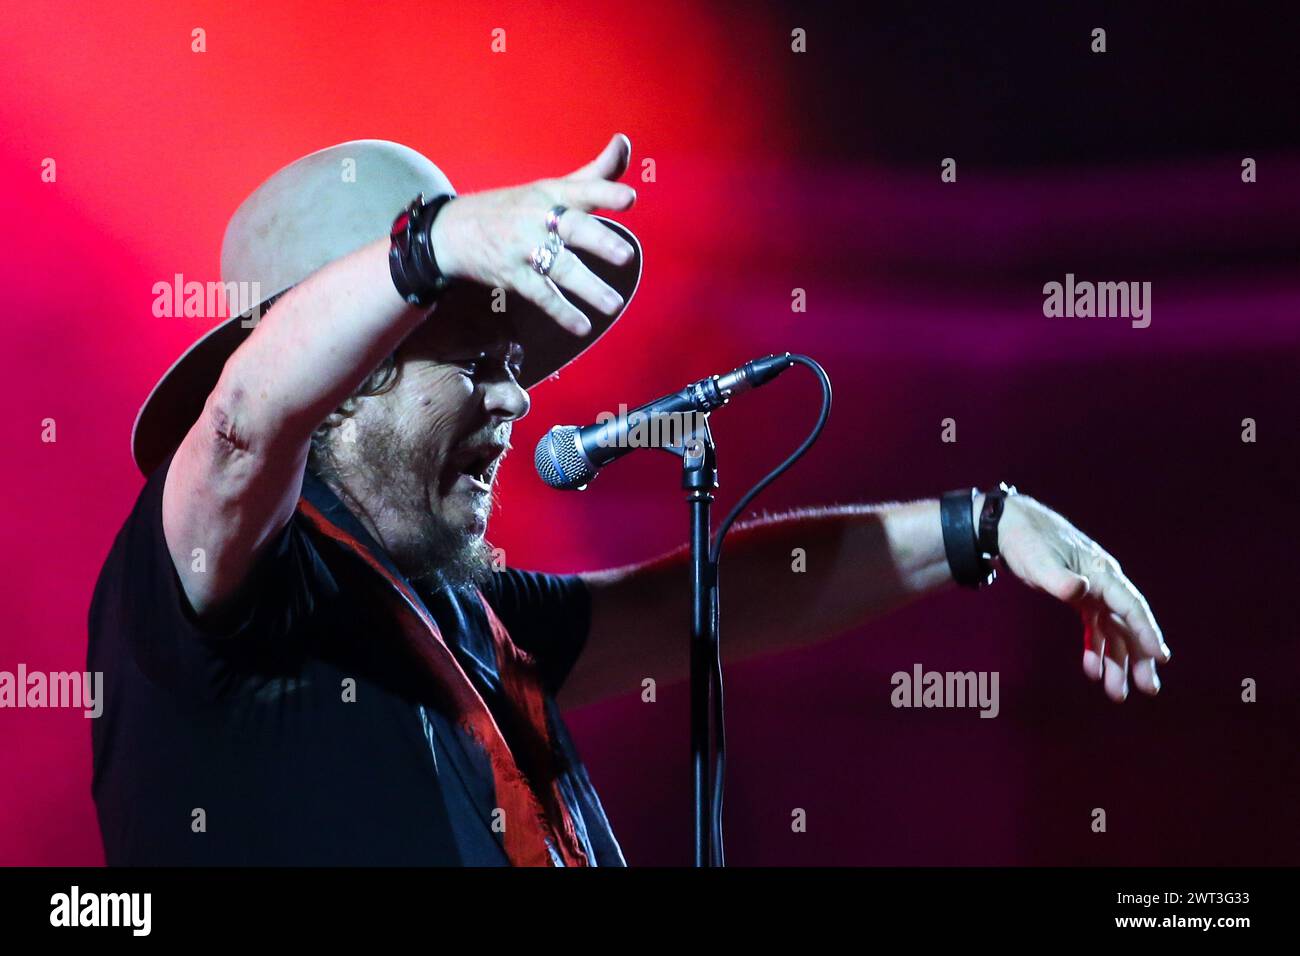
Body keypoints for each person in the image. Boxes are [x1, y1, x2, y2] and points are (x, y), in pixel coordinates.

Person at [87, 133, 1169, 867]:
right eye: (474, 357)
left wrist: (981, 525)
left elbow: (705, 603)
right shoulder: (212, 583)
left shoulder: (458, 614)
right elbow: (240, 429)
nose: (517, 394)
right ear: (347, 383)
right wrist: (431, 248)